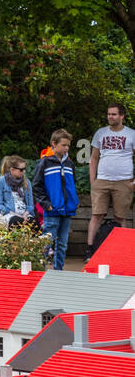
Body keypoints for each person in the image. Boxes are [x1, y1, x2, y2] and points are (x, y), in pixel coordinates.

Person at [88, 103, 135, 257]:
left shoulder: (131, 134)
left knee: (120, 217)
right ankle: (90, 250)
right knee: (96, 215)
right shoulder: (100, 133)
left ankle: (122, 253)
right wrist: (92, 180)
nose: (110, 117)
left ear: (122, 116)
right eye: (109, 114)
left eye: (114, 114)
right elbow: (94, 158)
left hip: (124, 181)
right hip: (102, 180)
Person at [32, 129, 78, 270]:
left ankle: (59, 271)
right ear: (54, 144)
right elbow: (36, 186)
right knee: (47, 242)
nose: (66, 148)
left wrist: (73, 202)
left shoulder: (69, 164)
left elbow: (72, 184)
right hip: (52, 210)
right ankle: (41, 270)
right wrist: (47, 205)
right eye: (63, 145)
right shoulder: (45, 163)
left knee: (62, 244)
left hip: (67, 211)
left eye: (68, 146)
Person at [0, 155, 35, 228]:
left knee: (34, 224)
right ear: (12, 169)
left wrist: (25, 215)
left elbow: (30, 205)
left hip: (24, 214)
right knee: (16, 222)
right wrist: (16, 215)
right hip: (6, 214)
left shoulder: (26, 182)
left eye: (24, 169)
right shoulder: (0, 181)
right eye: (21, 169)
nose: (24, 171)